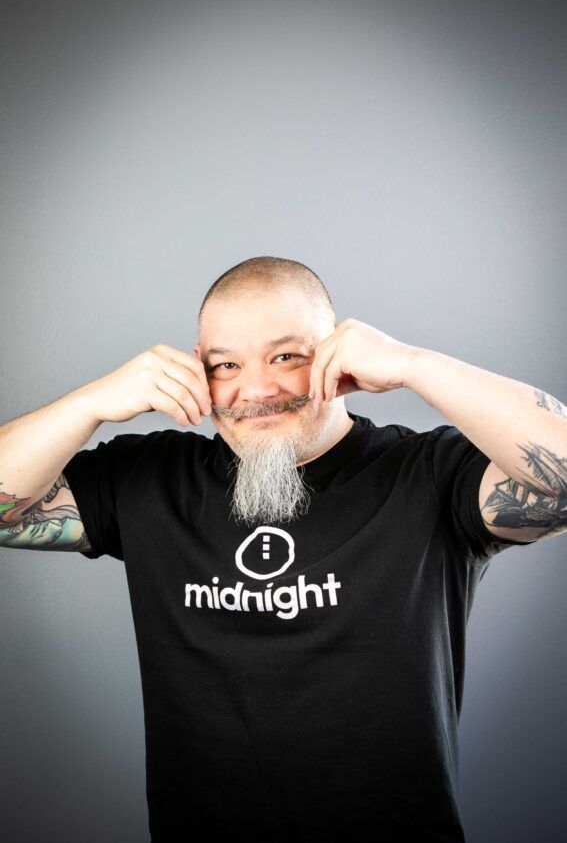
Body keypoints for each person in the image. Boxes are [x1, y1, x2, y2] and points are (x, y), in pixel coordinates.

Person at [1, 255, 566, 843]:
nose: (257, 390)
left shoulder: (427, 474)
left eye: (286, 357)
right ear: (199, 368)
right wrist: (91, 402)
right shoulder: (147, 479)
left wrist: (413, 364)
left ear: (338, 352)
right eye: (227, 364)